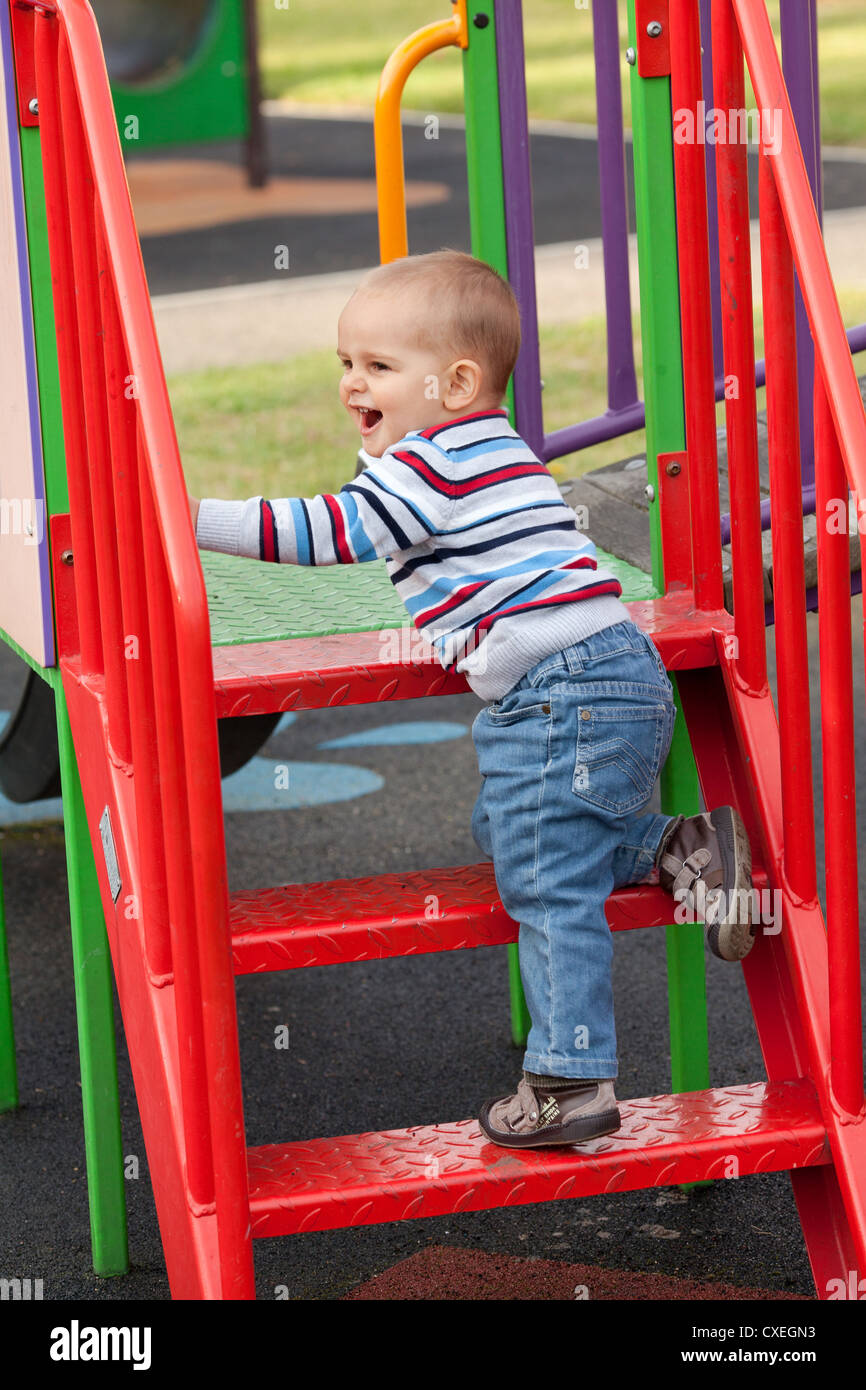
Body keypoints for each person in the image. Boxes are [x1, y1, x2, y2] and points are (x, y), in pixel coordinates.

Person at [188, 249, 755, 1149]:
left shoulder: (429, 463)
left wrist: (188, 521)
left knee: (544, 883)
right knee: (515, 836)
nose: (350, 385)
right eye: (344, 363)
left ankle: (570, 1077)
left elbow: (331, 530)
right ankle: (680, 846)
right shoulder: (491, 446)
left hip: (559, 693)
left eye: (376, 367)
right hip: (615, 676)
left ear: (455, 383)